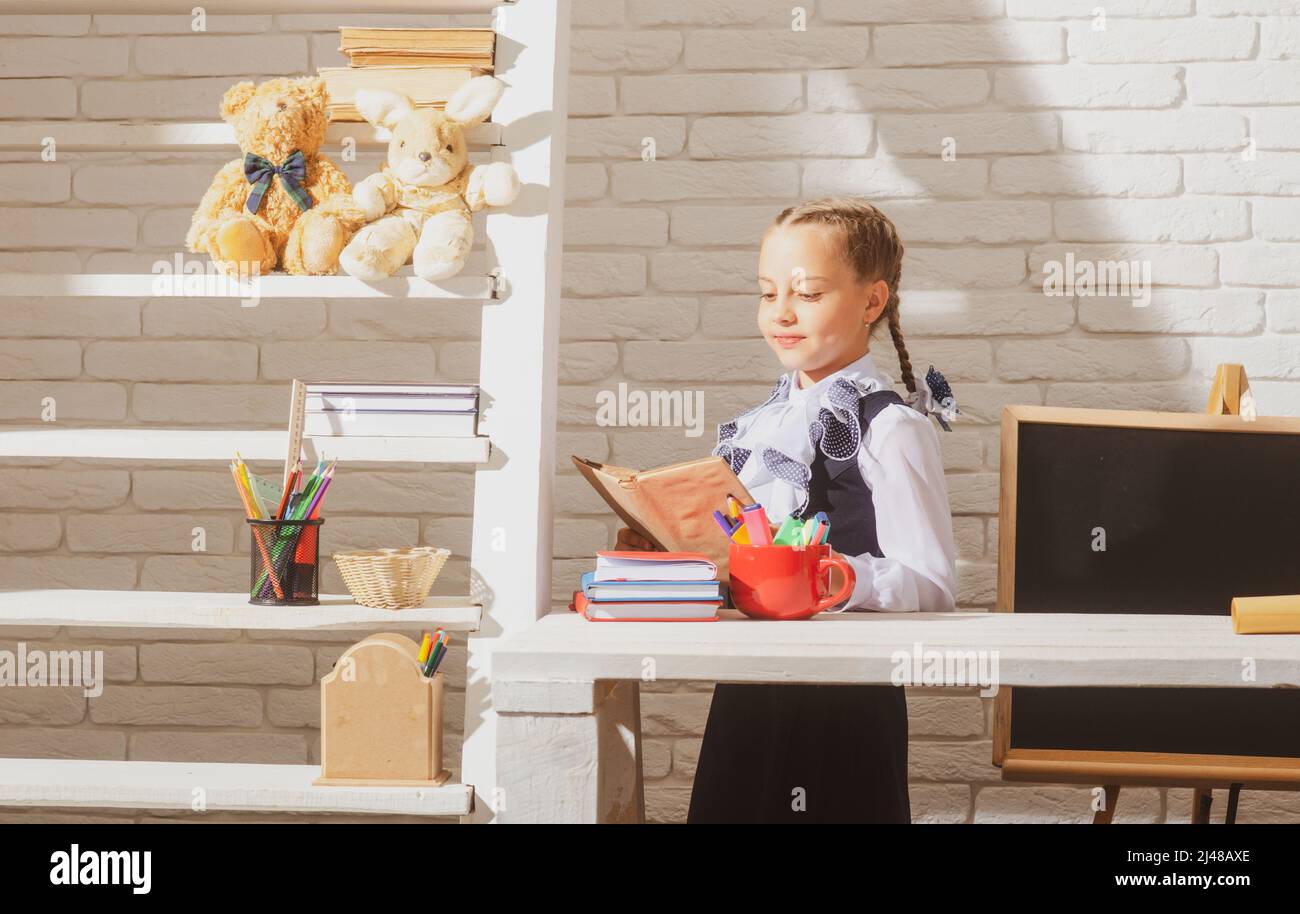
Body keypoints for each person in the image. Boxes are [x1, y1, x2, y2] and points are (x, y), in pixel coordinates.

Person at [617, 197, 960, 823]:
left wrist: (837, 575)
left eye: (806, 293)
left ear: (871, 301)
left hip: (846, 701)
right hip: (748, 690)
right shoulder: (760, 429)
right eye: (766, 293)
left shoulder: (892, 429)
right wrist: (673, 553)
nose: (780, 313)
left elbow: (934, 586)